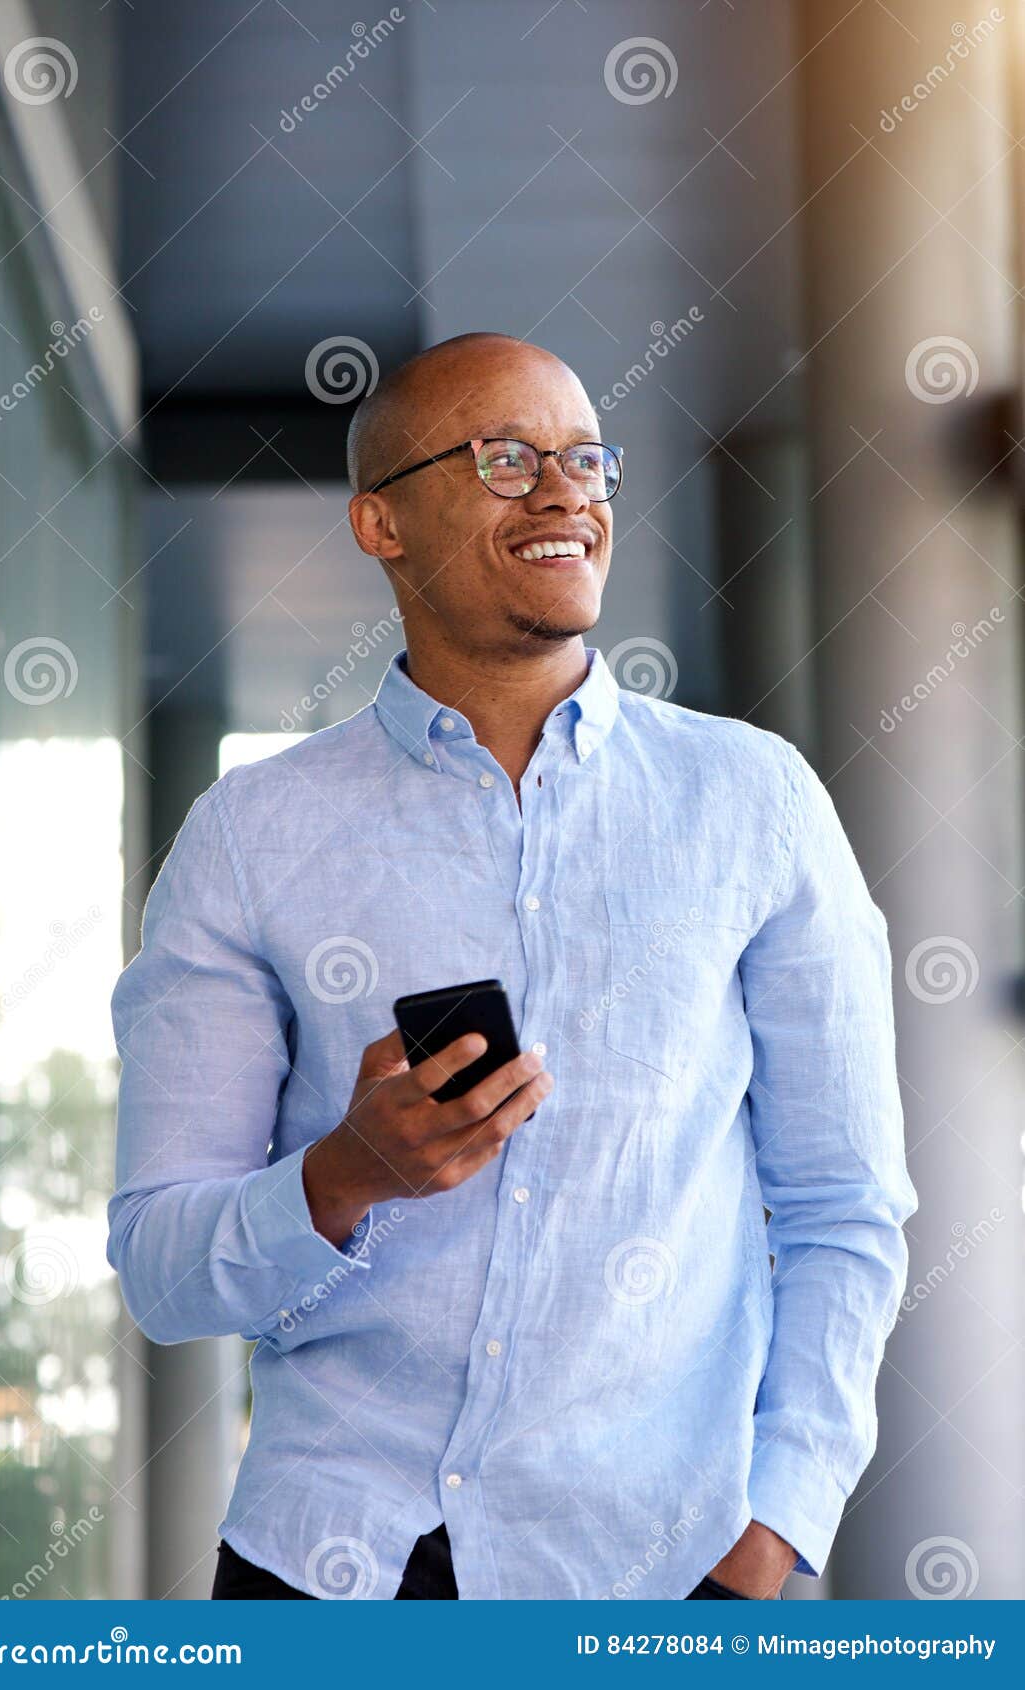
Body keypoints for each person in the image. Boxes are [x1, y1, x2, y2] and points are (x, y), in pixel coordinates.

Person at [108, 331, 917, 1601]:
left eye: (584, 459)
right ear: (381, 524)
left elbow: (843, 1208)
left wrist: (774, 1522)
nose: (562, 493)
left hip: (664, 1576)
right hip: (330, 1573)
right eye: (504, 458)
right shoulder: (249, 836)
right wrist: (338, 1178)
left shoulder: (752, 801)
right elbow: (161, 1262)